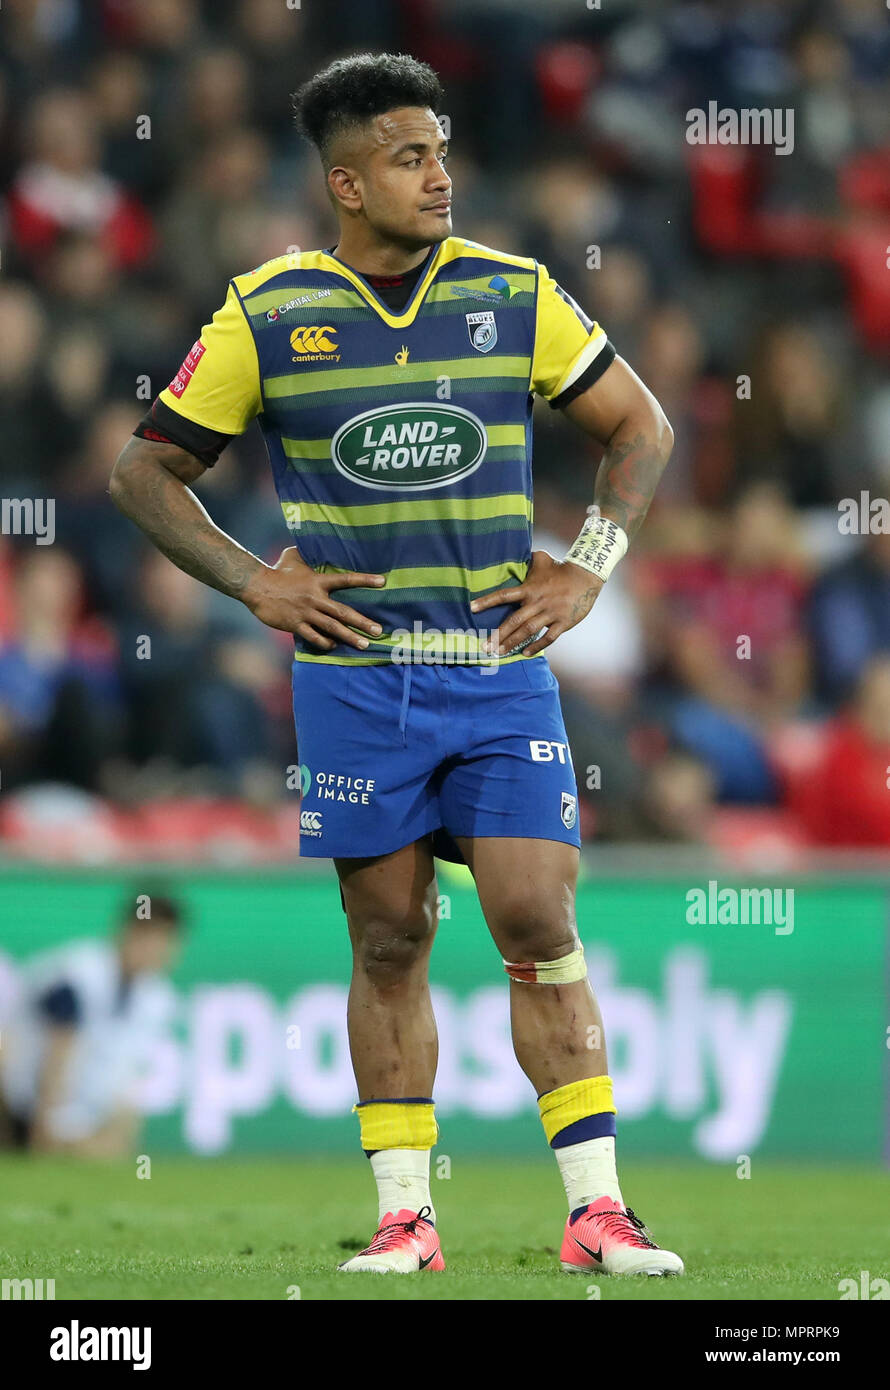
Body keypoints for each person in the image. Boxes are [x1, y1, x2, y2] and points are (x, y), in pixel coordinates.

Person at [110, 53, 680, 1277]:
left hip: (493, 663)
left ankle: (597, 1212)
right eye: (412, 156)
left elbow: (641, 424)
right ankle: (405, 1219)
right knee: (386, 940)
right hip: (354, 676)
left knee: (534, 912)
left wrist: (586, 562)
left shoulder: (514, 294)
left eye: (443, 149)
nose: (441, 174)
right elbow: (142, 471)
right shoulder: (265, 313)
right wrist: (253, 580)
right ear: (347, 183)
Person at [0, 894, 181, 1156]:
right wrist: (44, 1130)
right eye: (149, 938)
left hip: (81, 1117)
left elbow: (127, 1078)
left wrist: (116, 1136)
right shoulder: (80, 974)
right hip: (23, 1105)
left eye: (165, 941)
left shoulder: (156, 999)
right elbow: (57, 1054)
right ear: (127, 932)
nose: (155, 949)